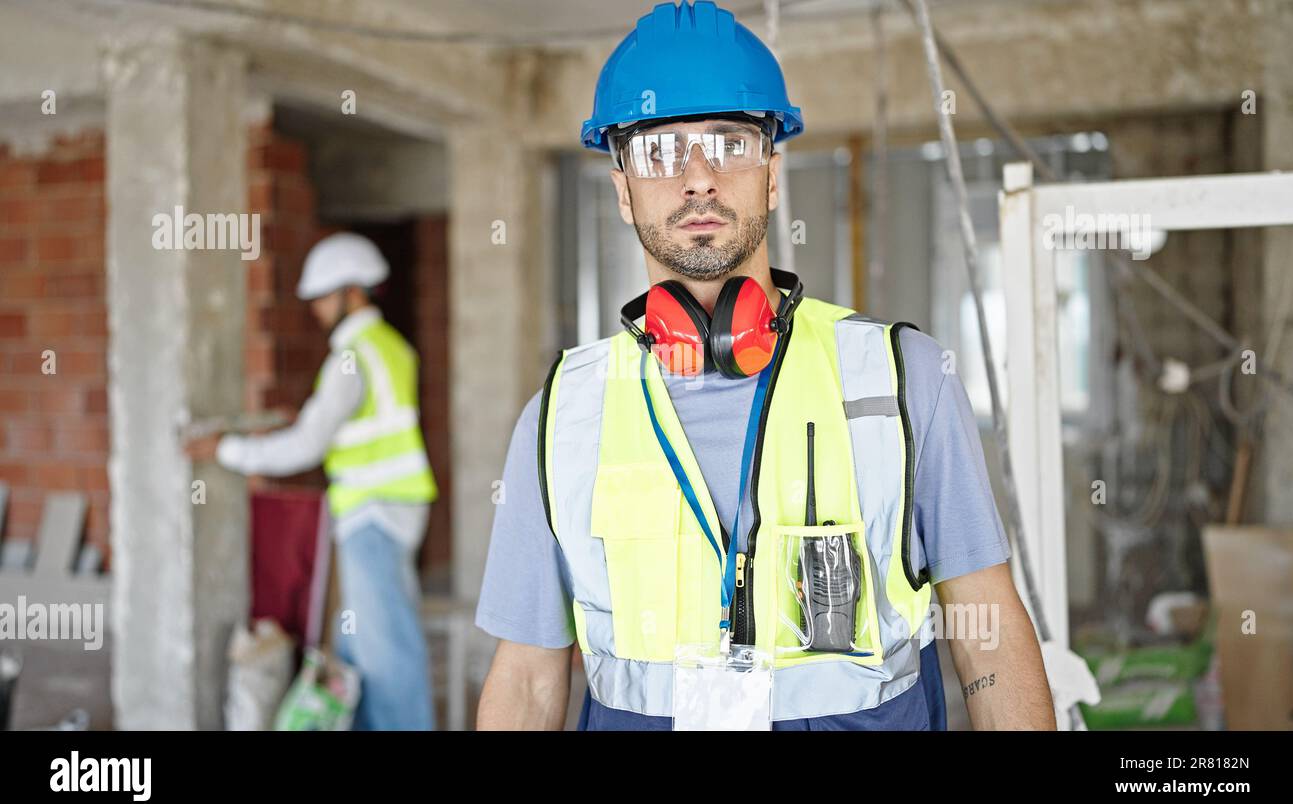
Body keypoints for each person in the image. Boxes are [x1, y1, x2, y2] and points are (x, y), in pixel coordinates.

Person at [475, 0, 1054, 730]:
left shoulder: (903, 381)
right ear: (622, 190)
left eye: (728, 143)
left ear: (772, 176)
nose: (696, 179)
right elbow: (527, 680)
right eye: (658, 150)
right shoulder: (562, 417)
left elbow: (986, 628)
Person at [187, 232, 438, 730]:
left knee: (388, 659)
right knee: (360, 647)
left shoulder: (351, 357)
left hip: (373, 514)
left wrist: (226, 449)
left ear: (353, 292)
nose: (317, 309)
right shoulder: (388, 347)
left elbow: (307, 444)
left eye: (324, 296)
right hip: (392, 511)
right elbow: (350, 421)